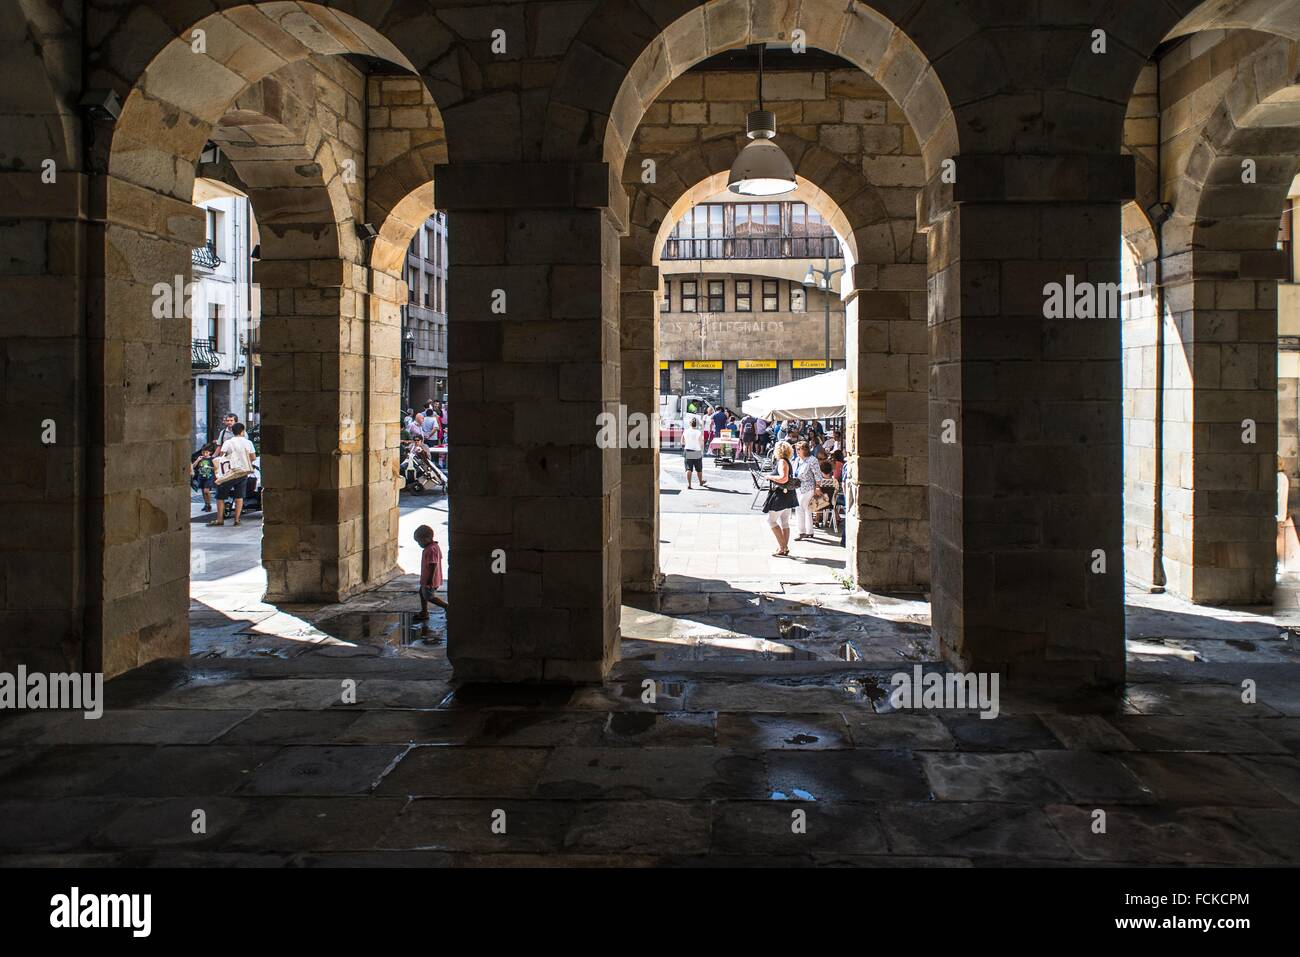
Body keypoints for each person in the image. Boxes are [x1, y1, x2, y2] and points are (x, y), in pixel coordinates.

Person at [210, 423, 256, 527]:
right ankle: (237, 519)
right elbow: (253, 457)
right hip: (243, 472)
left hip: (229, 473)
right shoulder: (248, 442)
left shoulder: (228, 442)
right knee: (239, 496)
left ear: (233, 432)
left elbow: (222, 456)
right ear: (242, 431)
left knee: (220, 496)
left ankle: (220, 519)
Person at [764, 440, 797, 557]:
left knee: (771, 520)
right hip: (788, 495)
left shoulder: (782, 461)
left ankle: (783, 547)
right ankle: (783, 548)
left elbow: (783, 478)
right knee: (785, 522)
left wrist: (770, 477)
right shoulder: (788, 461)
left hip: (780, 495)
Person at [413, 524, 448, 620]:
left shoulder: (431, 550)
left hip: (430, 579)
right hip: (427, 578)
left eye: (419, 542)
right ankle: (424, 612)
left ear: (426, 539)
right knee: (422, 592)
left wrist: (430, 579)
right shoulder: (434, 546)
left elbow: (433, 565)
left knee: (429, 596)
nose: (419, 544)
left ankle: (446, 607)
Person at [793, 441, 819, 541]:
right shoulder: (797, 460)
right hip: (798, 488)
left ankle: (801, 532)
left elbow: (817, 475)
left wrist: (817, 487)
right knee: (807, 509)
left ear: (805, 449)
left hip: (808, 487)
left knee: (799, 508)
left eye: (799, 449)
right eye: (796, 449)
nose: (797, 451)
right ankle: (810, 531)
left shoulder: (812, 460)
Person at [190, 442, 217, 512]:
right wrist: (198, 460)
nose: (204, 454)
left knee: (206, 491)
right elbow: (193, 466)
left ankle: (209, 504)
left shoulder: (212, 459)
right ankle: (206, 504)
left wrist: (209, 467)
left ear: (210, 452)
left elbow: (216, 468)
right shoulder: (200, 458)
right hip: (201, 477)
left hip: (209, 477)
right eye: (203, 452)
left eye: (206, 452)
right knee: (203, 491)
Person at [682, 417, 707, 490]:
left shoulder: (685, 431)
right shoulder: (698, 432)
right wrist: (702, 451)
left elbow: (682, 442)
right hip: (696, 451)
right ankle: (700, 482)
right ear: (697, 424)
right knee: (699, 469)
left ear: (690, 423)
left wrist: (688, 443)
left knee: (688, 469)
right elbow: (701, 443)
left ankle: (689, 484)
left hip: (688, 450)